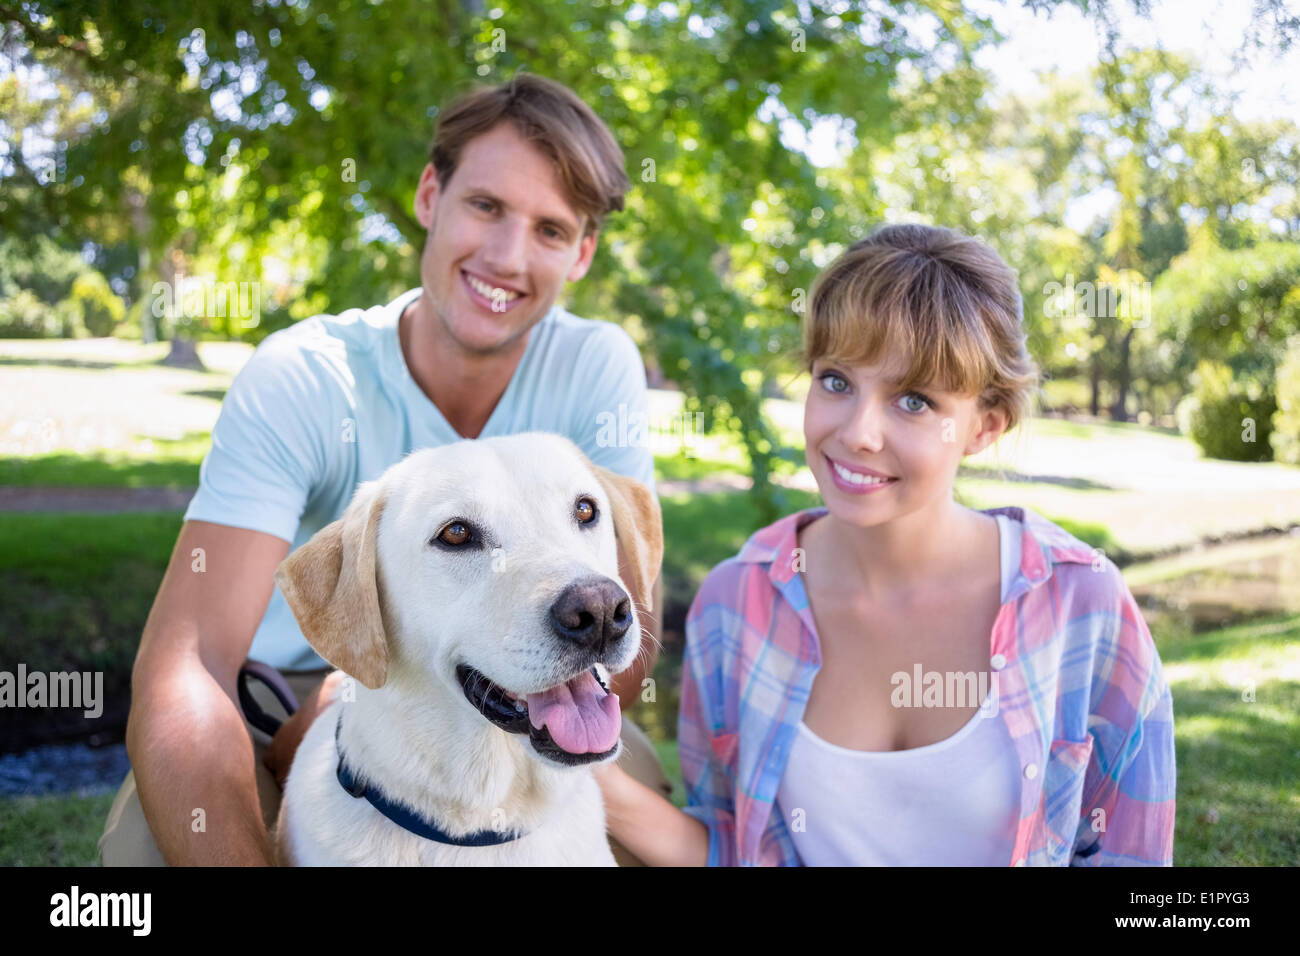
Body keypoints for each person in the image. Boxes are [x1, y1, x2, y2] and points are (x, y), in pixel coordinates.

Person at [100, 73, 670, 866]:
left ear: (582, 253)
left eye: (549, 228)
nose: (507, 256)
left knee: (631, 824)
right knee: (149, 857)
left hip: (546, 686)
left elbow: (620, 619)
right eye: (486, 206)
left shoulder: (596, 365)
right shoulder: (305, 376)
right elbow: (188, 666)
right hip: (297, 693)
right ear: (431, 195)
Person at [596, 222, 1176, 866]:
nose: (858, 433)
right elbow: (737, 849)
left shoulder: (1080, 600)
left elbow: (1132, 862)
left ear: (985, 426)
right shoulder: (735, 604)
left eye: (913, 400)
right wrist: (590, 777)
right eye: (837, 381)